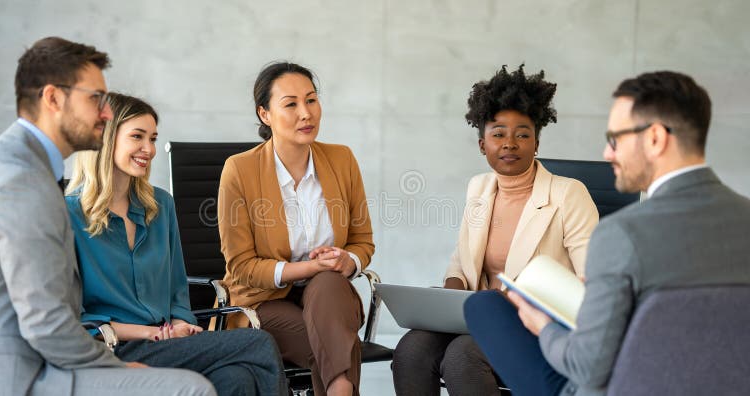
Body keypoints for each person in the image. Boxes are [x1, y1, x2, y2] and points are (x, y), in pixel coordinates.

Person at [0, 37, 215, 395]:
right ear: (53, 98)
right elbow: (47, 325)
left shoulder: (21, 166)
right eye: (95, 99)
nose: (105, 114)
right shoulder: (21, 182)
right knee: (191, 388)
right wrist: (118, 366)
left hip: (35, 359)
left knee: (230, 372)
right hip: (17, 374)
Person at [464, 71, 750, 395]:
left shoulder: (621, 235)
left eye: (615, 139)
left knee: (484, 307)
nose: (607, 153)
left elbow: (587, 366)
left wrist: (542, 327)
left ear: (655, 138)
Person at [392, 65, 599, 396]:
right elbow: (462, 261)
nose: (510, 144)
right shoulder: (479, 188)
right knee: (411, 350)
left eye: (523, 134)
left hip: (536, 322)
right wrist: (448, 299)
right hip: (475, 315)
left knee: (462, 357)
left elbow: (592, 281)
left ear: (536, 142)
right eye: (499, 133)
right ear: (481, 144)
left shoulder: (568, 194)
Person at [65, 92, 287, 396]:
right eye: (137, 137)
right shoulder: (69, 214)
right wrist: (153, 333)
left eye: (153, 138)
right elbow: (75, 318)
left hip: (169, 342)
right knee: (258, 342)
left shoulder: (160, 206)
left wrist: (182, 325)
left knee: (237, 379)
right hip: (117, 349)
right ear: (105, 139)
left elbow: (177, 292)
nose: (149, 149)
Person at [217, 62, 375, 396]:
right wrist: (309, 267)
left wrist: (349, 261)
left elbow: (362, 242)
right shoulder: (240, 170)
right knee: (338, 346)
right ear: (265, 114)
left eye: (312, 100)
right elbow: (241, 267)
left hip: (330, 297)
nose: (306, 113)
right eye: (290, 104)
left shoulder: (342, 159)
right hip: (263, 303)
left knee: (329, 283)